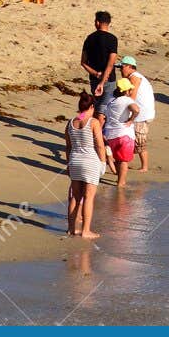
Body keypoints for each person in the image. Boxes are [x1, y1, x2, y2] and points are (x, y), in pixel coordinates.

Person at [64, 92, 104, 239]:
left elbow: (68, 146)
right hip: (90, 161)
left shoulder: (71, 122)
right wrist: (103, 163)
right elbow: (100, 146)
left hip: (75, 160)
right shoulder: (94, 122)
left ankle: (71, 229)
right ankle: (86, 230)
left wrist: (68, 163)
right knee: (88, 197)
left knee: (75, 196)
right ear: (92, 106)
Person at [100, 77, 140, 187]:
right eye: (129, 89)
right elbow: (136, 109)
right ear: (125, 91)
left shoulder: (110, 101)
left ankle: (119, 180)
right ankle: (120, 184)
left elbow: (104, 116)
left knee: (117, 158)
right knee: (123, 161)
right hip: (124, 134)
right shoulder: (127, 100)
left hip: (111, 135)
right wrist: (131, 120)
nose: (131, 91)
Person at [117, 57, 154, 171]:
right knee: (130, 138)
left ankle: (144, 166)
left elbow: (131, 97)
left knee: (139, 140)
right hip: (139, 112)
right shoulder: (132, 77)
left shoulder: (134, 77)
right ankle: (124, 161)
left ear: (129, 66)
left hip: (141, 114)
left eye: (122, 67)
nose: (120, 70)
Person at [80, 11, 119, 94]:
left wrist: (96, 74)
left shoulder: (90, 38)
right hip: (109, 78)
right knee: (108, 105)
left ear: (97, 22)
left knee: (97, 104)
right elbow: (110, 64)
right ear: (108, 23)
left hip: (95, 79)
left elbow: (83, 62)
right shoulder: (113, 39)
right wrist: (103, 81)